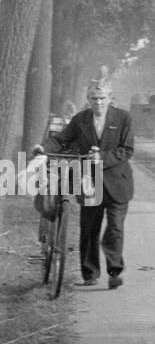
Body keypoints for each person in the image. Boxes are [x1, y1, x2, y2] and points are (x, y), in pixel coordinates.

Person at [40, 81, 134, 290]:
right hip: (90, 183)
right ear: (88, 99)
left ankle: (114, 272)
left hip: (117, 183)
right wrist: (42, 147)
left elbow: (126, 150)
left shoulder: (123, 118)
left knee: (115, 228)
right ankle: (90, 274)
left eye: (102, 98)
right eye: (94, 98)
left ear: (110, 98)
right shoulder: (80, 119)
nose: (98, 102)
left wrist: (101, 157)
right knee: (89, 229)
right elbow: (61, 139)